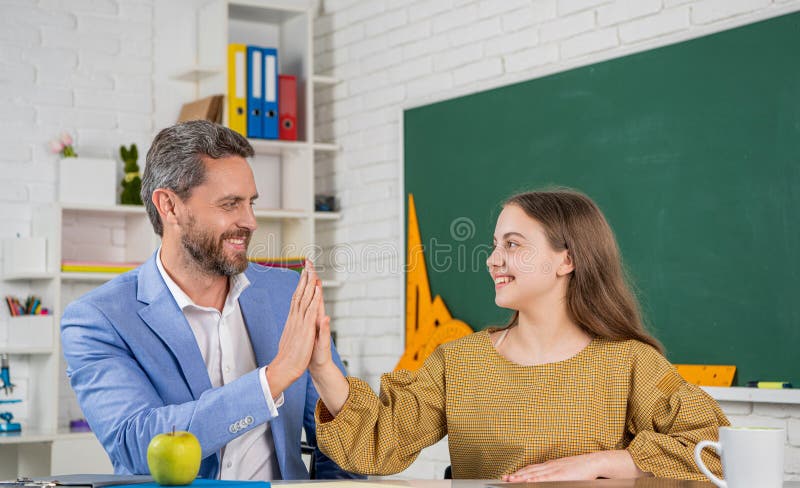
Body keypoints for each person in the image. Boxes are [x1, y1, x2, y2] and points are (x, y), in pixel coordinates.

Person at [307, 188, 729, 482]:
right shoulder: (457, 362)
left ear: (567, 260)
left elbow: (713, 451)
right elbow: (379, 445)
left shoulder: (628, 362)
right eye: (495, 245)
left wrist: (603, 463)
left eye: (512, 244)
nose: (492, 259)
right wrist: (322, 366)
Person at [61, 120, 362, 480]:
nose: (250, 221)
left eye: (250, 202)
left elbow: (344, 442)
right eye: (230, 204)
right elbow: (137, 442)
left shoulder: (286, 294)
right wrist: (272, 379)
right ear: (169, 206)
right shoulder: (99, 319)